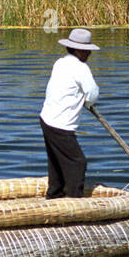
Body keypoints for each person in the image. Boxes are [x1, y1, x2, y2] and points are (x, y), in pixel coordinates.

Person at [38, 28, 100, 198]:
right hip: (60, 124)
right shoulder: (81, 68)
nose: (89, 55)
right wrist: (87, 101)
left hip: (46, 119)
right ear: (79, 50)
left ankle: (55, 194)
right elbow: (92, 94)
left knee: (56, 161)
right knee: (77, 162)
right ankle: (74, 199)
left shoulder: (60, 62)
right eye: (87, 51)